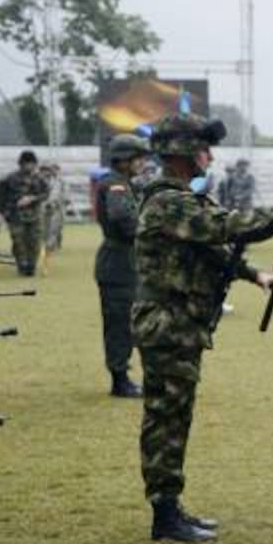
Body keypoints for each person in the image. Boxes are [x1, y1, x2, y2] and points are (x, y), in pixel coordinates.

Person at [133, 113, 273, 543]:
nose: (209, 156)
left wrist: (257, 277)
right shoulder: (168, 201)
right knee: (166, 416)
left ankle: (170, 505)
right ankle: (165, 513)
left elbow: (216, 251)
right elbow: (223, 227)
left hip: (179, 321)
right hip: (168, 321)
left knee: (175, 414)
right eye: (202, 148)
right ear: (181, 153)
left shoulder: (183, 198)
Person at [95, 134, 150, 398]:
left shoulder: (126, 184)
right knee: (119, 324)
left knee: (130, 321)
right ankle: (119, 379)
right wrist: (147, 229)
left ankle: (123, 375)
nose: (142, 162)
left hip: (126, 262)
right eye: (138, 157)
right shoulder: (115, 185)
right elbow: (121, 218)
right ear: (125, 160)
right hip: (118, 263)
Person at [0, 151, 45, 276]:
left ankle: (31, 265)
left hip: (34, 216)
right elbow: (1, 197)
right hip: (15, 216)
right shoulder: (10, 178)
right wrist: (3, 212)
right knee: (18, 242)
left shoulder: (39, 179)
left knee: (34, 242)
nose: (29, 167)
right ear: (21, 164)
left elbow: (46, 193)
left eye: (32, 164)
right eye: (26, 164)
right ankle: (22, 264)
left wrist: (32, 198)